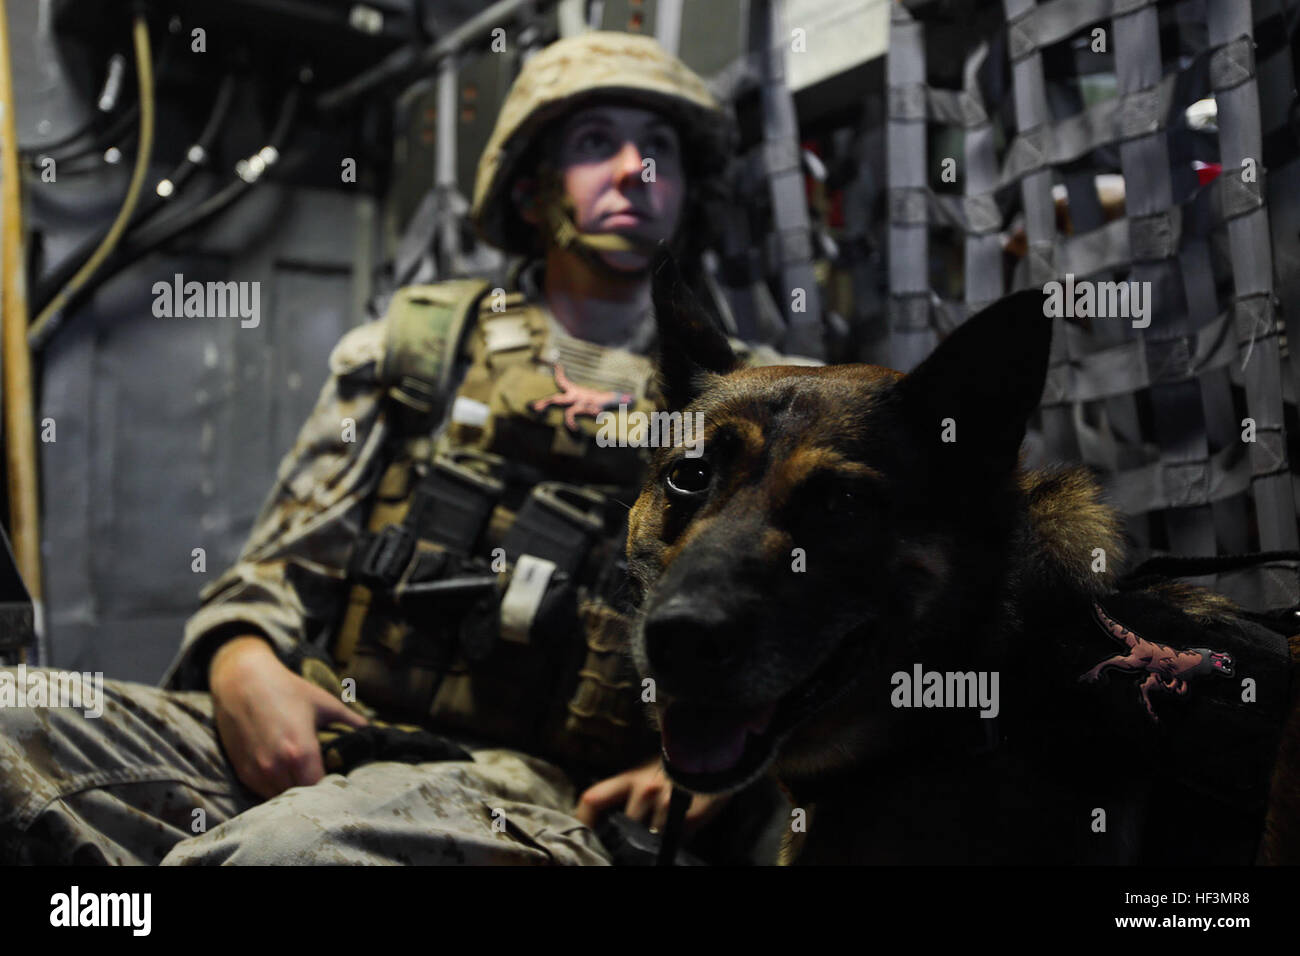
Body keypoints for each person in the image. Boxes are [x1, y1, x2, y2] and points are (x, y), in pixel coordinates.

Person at [0, 30, 806, 865]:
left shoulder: (746, 409)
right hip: (339, 729)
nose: (635, 169)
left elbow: (812, 636)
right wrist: (240, 658)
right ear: (530, 191)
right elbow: (278, 568)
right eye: (595, 143)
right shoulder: (415, 348)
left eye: (660, 149)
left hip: (551, 795)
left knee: (294, 850)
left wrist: (726, 762)